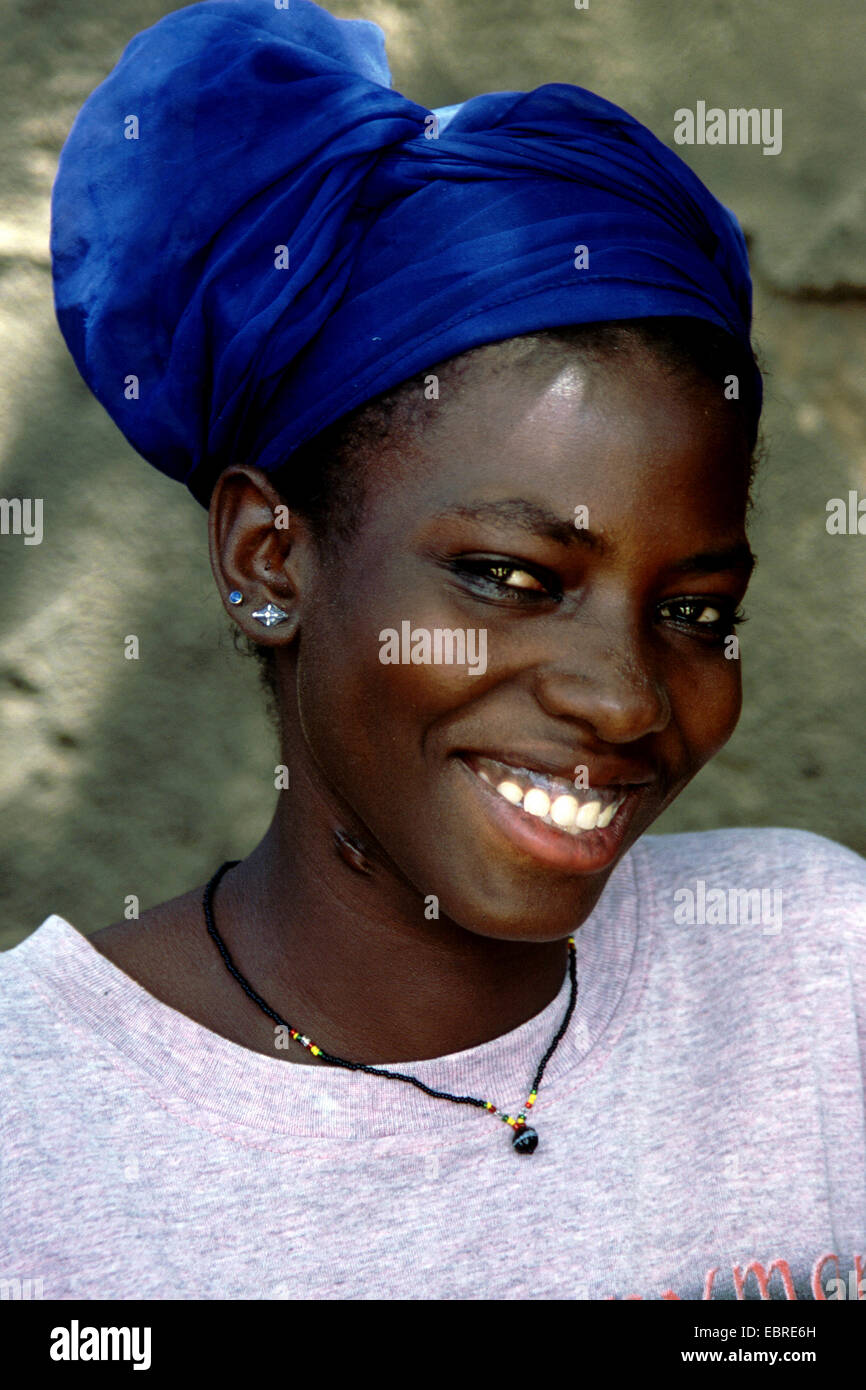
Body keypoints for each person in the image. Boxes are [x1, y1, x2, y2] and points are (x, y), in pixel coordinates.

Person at [2, 0, 864, 1302]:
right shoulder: (39, 1133)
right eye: (511, 578)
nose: (623, 695)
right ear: (266, 559)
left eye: (692, 610)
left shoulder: (816, 974)